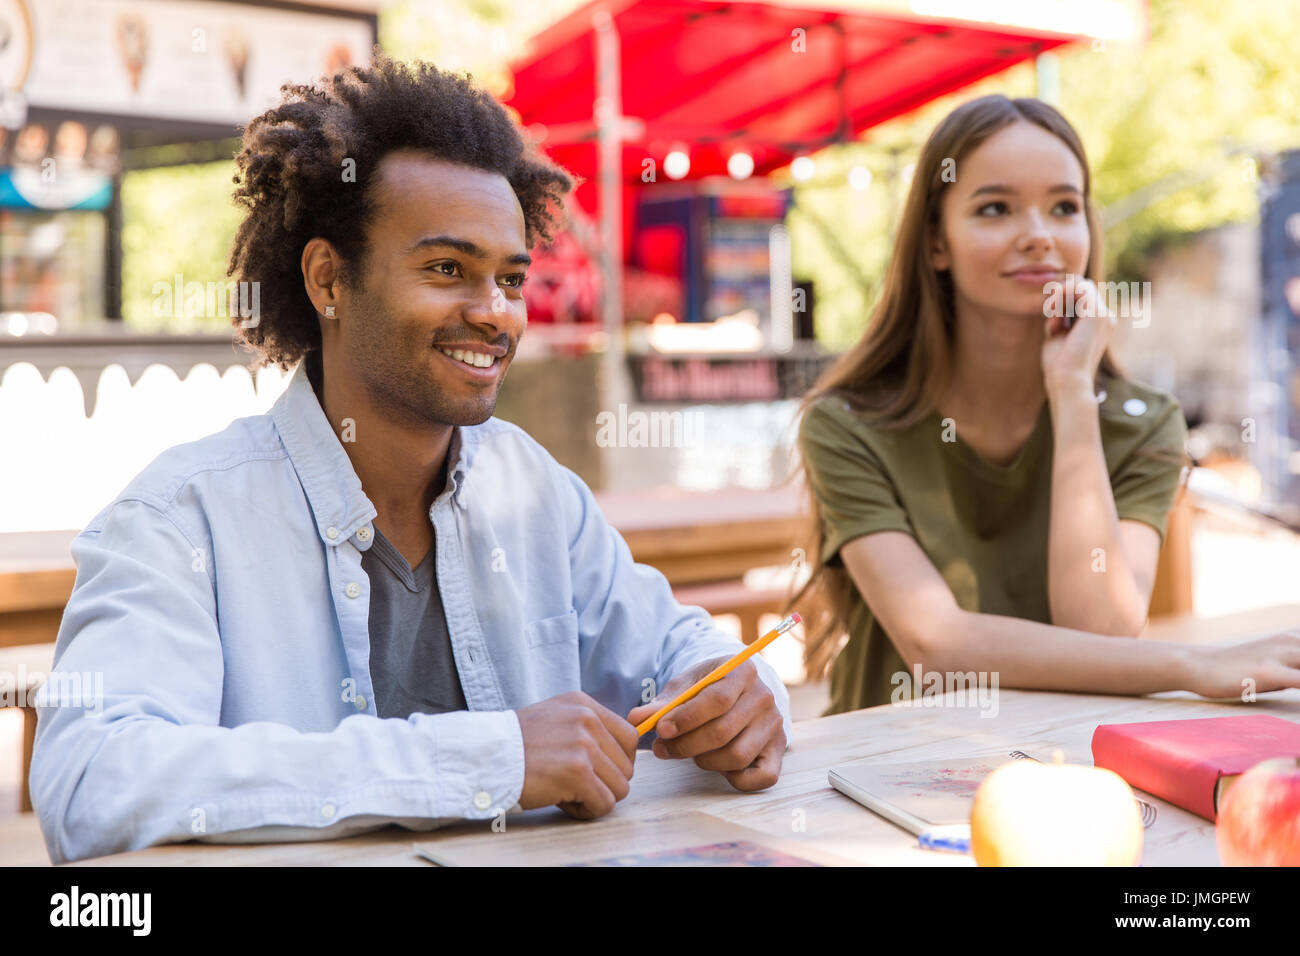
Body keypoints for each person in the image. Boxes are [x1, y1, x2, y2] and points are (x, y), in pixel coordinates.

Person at [30, 54, 790, 864]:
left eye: (509, 278)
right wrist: (494, 758)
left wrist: (737, 695)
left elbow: (680, 652)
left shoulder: (532, 490)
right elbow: (92, 781)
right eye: (446, 270)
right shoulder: (181, 519)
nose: (493, 314)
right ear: (328, 278)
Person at [792, 94, 1300, 713]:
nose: (1038, 237)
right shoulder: (848, 423)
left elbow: (1098, 630)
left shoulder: (1144, 424)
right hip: (879, 772)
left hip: (1067, 766)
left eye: (1064, 207)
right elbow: (936, 644)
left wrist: (1072, 393)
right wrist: (1192, 664)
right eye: (995, 208)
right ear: (935, 244)